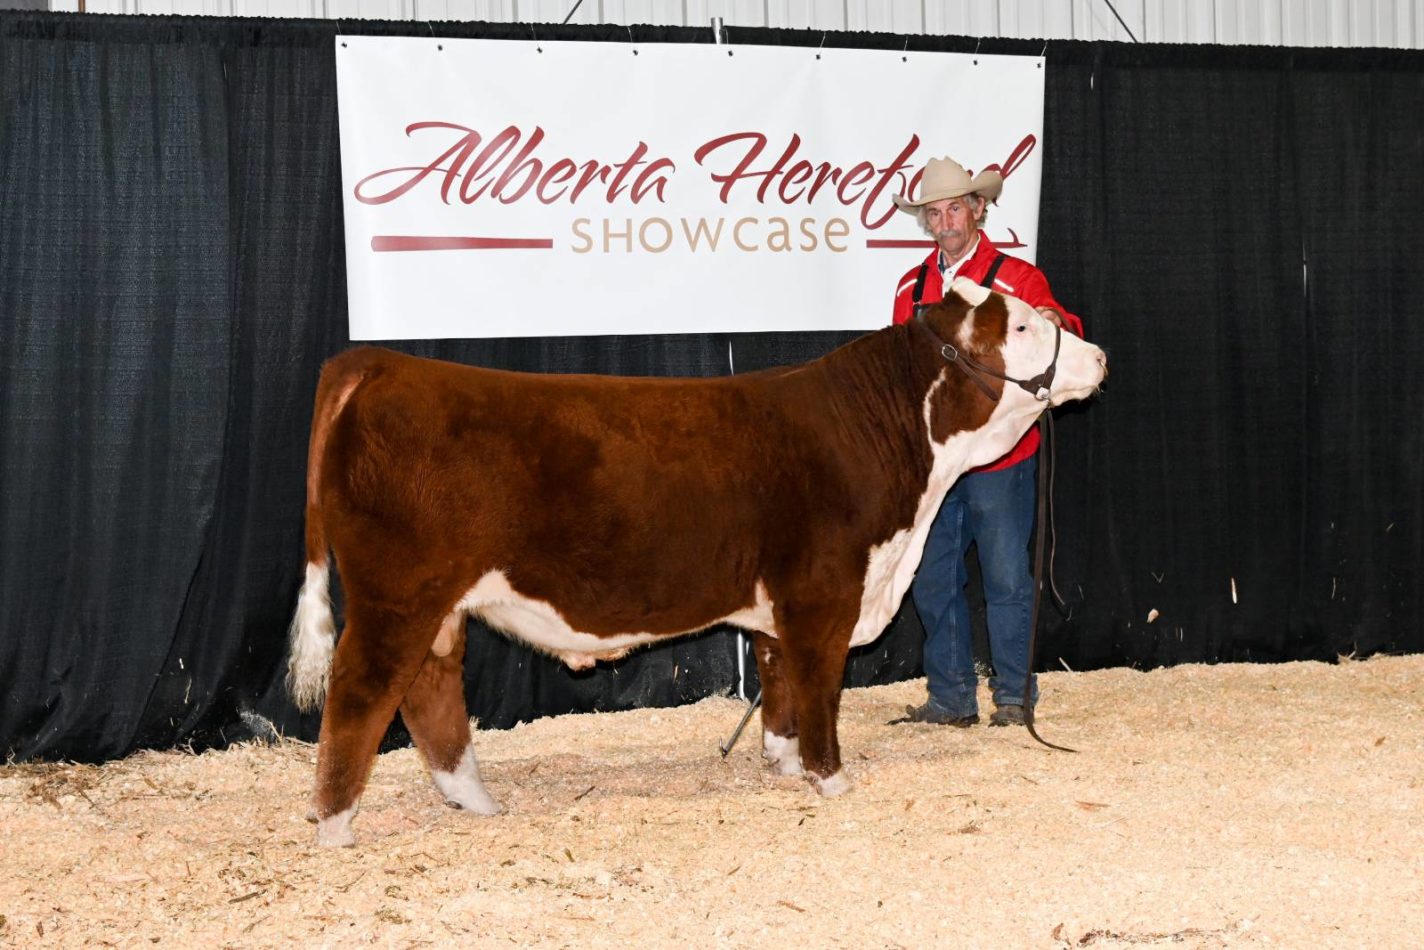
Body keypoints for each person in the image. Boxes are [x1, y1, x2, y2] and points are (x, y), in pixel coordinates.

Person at [889, 156, 1084, 727]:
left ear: (977, 210)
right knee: (933, 578)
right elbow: (904, 371)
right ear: (927, 221)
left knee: (1005, 578)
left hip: (1001, 456)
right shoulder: (913, 284)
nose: (945, 220)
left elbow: (1059, 328)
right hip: (940, 461)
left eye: (955, 207)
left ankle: (1014, 697)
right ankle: (950, 699)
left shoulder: (1017, 278)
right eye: (934, 211)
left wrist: (1053, 319)